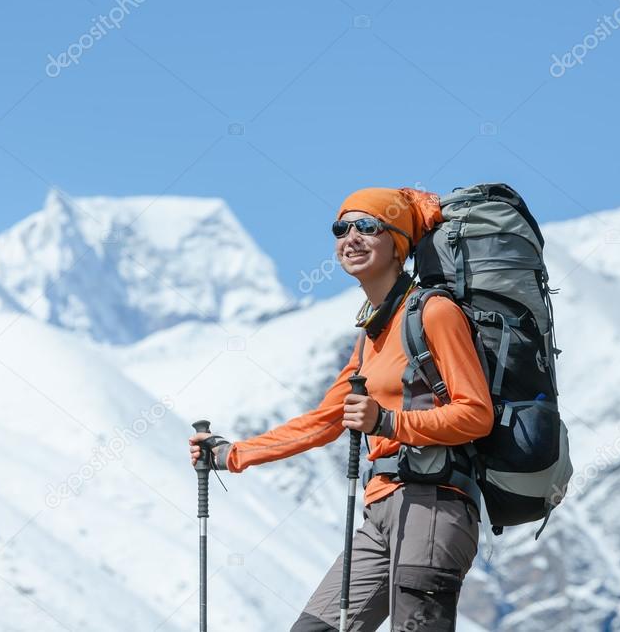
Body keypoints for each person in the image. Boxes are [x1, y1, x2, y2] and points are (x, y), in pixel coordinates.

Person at [188, 187, 495, 631]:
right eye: (342, 227)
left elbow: (476, 414)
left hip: (433, 505)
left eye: (368, 226)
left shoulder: (434, 313)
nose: (351, 236)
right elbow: (327, 420)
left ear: (398, 244)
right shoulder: (372, 331)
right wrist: (231, 454)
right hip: (382, 512)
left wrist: (387, 421)